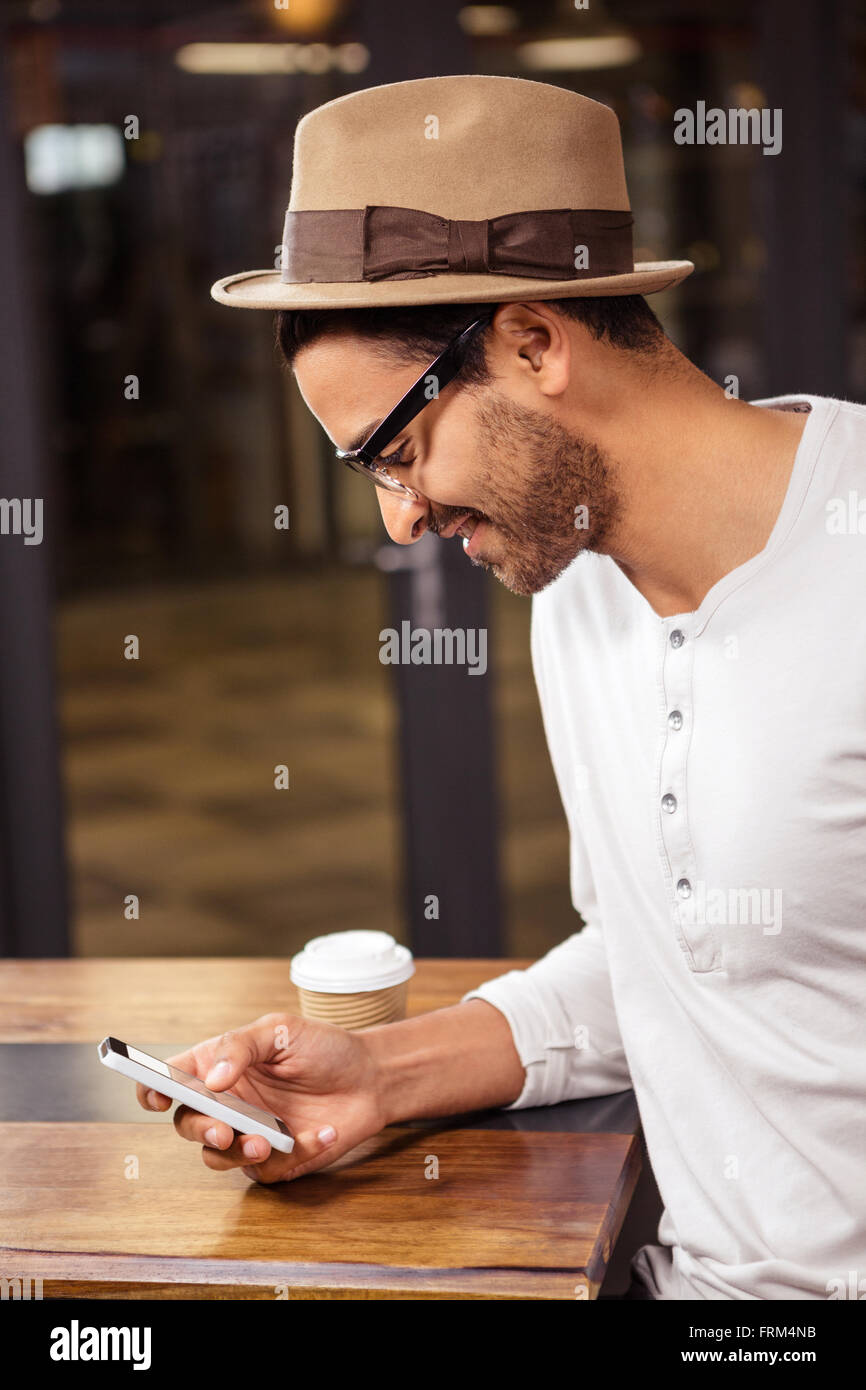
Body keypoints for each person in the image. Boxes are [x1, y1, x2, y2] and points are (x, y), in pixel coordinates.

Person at [138, 76, 866, 1300]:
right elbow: (671, 963)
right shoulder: (575, 579)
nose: (403, 515)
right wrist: (382, 1075)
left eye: (399, 452)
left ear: (534, 343)